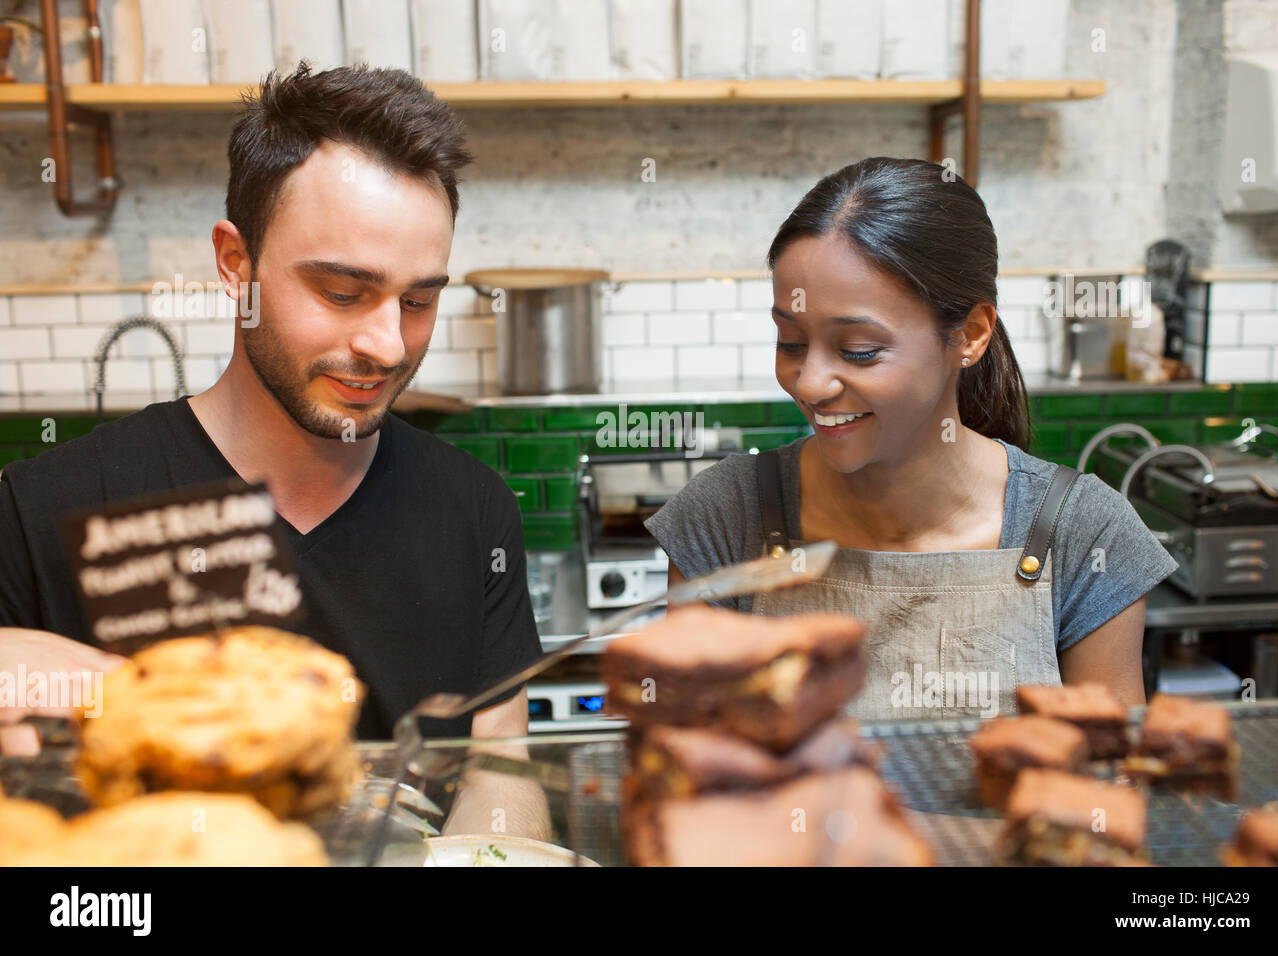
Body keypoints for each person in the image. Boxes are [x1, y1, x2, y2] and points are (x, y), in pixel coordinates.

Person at [0, 65, 542, 791]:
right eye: (343, 292)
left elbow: (501, 778)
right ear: (235, 264)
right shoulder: (39, 510)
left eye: (417, 300)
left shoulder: (473, 510)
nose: (387, 344)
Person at [645, 157, 1178, 721]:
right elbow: (687, 773)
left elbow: (1109, 789)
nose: (810, 383)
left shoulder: (1082, 533)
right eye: (791, 342)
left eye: (858, 350)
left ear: (969, 335)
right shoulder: (725, 518)